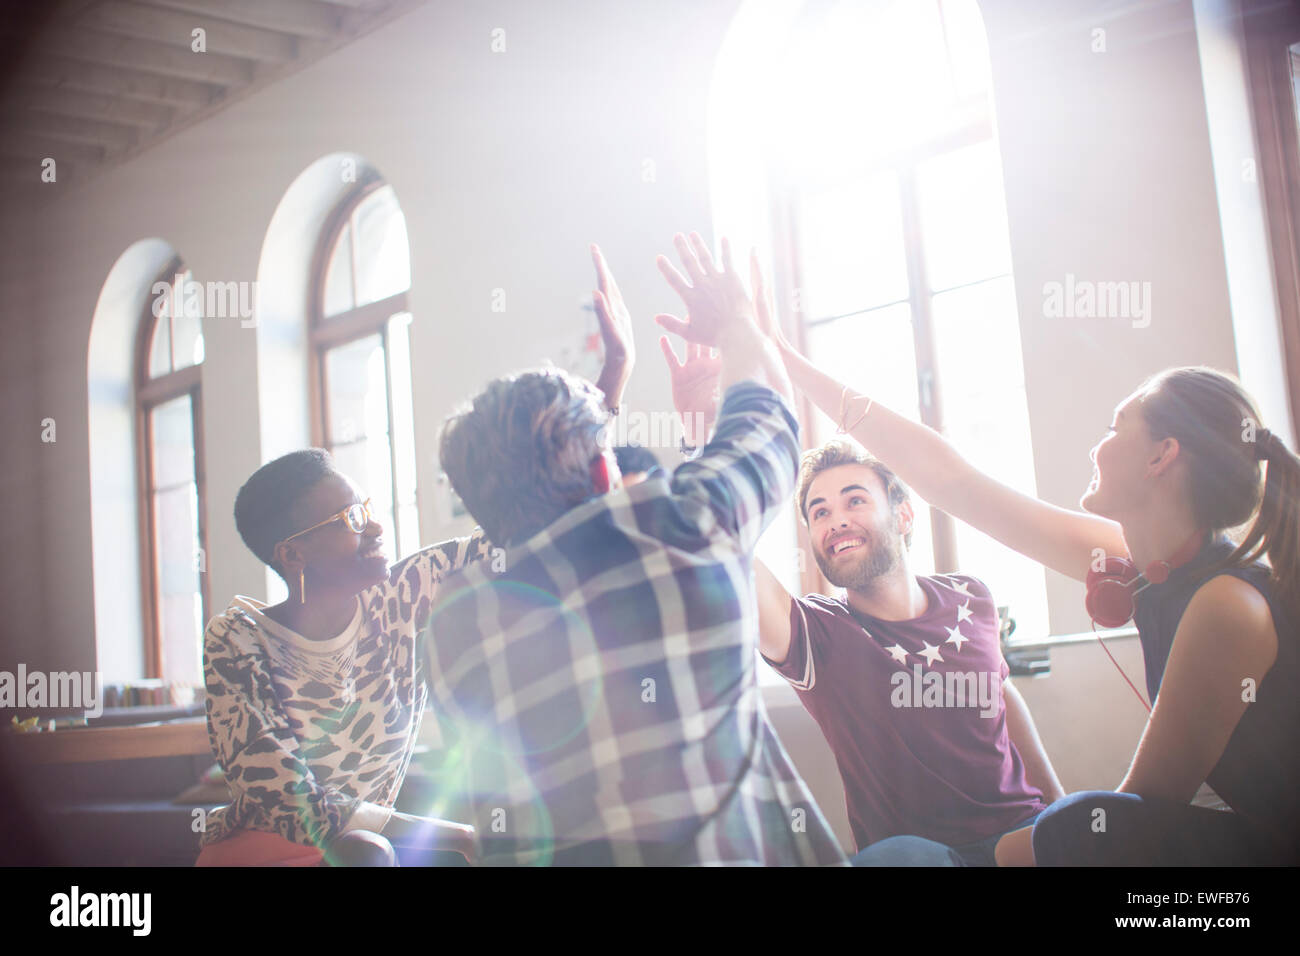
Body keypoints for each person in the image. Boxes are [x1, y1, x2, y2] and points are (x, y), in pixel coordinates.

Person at [744, 259, 1299, 866]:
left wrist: (1011, 846)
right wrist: (789, 365)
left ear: (1160, 457)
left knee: (1076, 828)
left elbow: (1137, 810)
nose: (1097, 445)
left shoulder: (1228, 606)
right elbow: (953, 482)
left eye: (1115, 427)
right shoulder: (1143, 560)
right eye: (819, 510)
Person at [197, 245, 637, 867]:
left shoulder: (407, 593)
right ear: (293, 553)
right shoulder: (238, 641)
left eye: (367, 506)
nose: (376, 526)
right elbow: (281, 797)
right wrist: (455, 834)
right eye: (351, 520)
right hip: (267, 856)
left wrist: (610, 384)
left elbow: (529, 523)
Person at [424, 233, 847, 865]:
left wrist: (608, 394)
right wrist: (734, 318)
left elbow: (543, 520)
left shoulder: (454, 626)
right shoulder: (680, 529)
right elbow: (769, 410)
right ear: (607, 471)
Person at [660, 271, 1063, 866]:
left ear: (903, 515)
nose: (835, 520)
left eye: (854, 500)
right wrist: (704, 441)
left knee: (1097, 822)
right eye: (819, 511)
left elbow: (1001, 695)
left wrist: (1060, 807)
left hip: (1018, 842)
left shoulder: (970, 596)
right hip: (919, 858)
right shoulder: (815, 634)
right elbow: (721, 546)